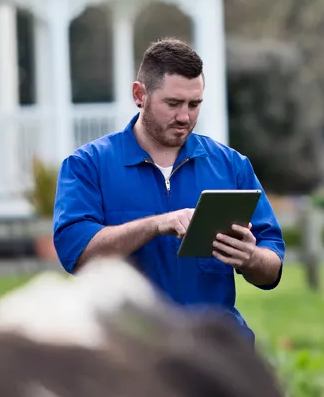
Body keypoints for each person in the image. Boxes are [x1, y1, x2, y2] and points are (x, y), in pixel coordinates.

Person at [52, 37, 284, 343]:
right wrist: (158, 224)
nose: (185, 117)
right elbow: (78, 255)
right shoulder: (87, 166)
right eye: (173, 104)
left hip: (216, 354)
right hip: (128, 354)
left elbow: (273, 266)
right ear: (140, 95)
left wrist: (250, 257)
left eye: (194, 104)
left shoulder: (232, 166)